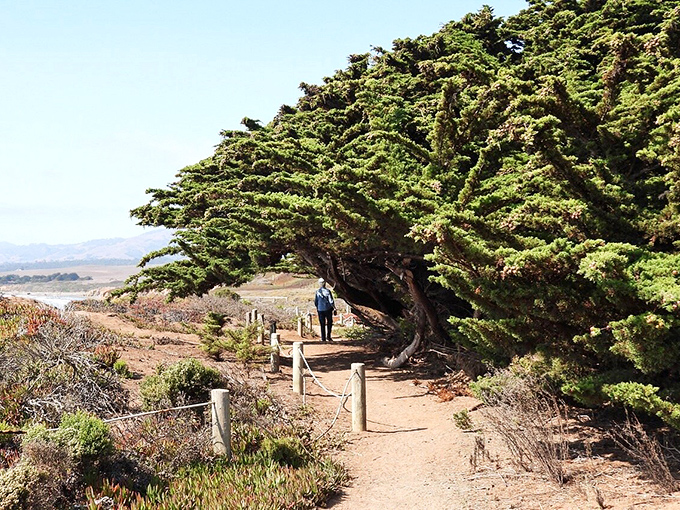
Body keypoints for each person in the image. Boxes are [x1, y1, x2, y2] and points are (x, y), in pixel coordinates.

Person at [314, 278, 336, 342]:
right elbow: (331, 301)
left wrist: (318, 307)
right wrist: (334, 308)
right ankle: (328, 336)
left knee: (322, 324)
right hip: (328, 309)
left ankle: (323, 338)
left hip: (320, 310)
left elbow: (316, 302)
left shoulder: (317, 292)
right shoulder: (328, 291)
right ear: (325, 283)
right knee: (329, 323)